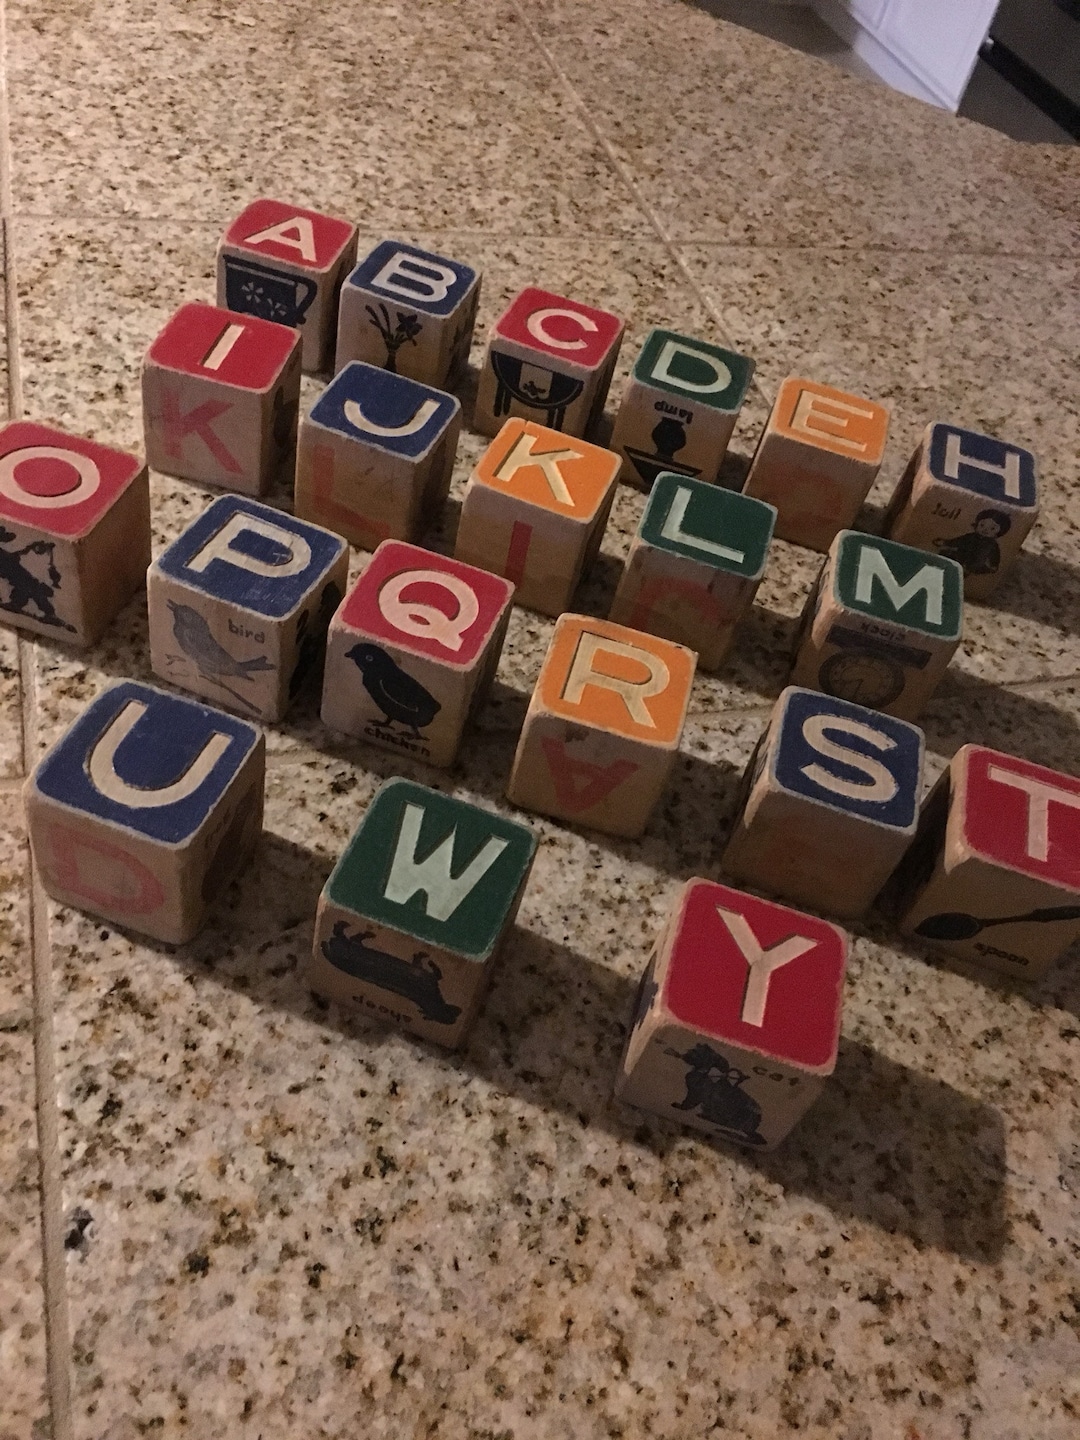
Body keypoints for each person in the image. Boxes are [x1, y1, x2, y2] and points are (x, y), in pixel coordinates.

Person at [934, 508, 1011, 576]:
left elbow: (994, 556)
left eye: (992, 528)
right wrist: (946, 543)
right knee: (945, 554)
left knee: (959, 574)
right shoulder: (970, 536)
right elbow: (958, 541)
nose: (985, 530)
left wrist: (993, 565)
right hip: (959, 557)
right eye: (982, 525)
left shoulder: (993, 545)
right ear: (977, 524)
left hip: (973, 565)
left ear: (999, 532)